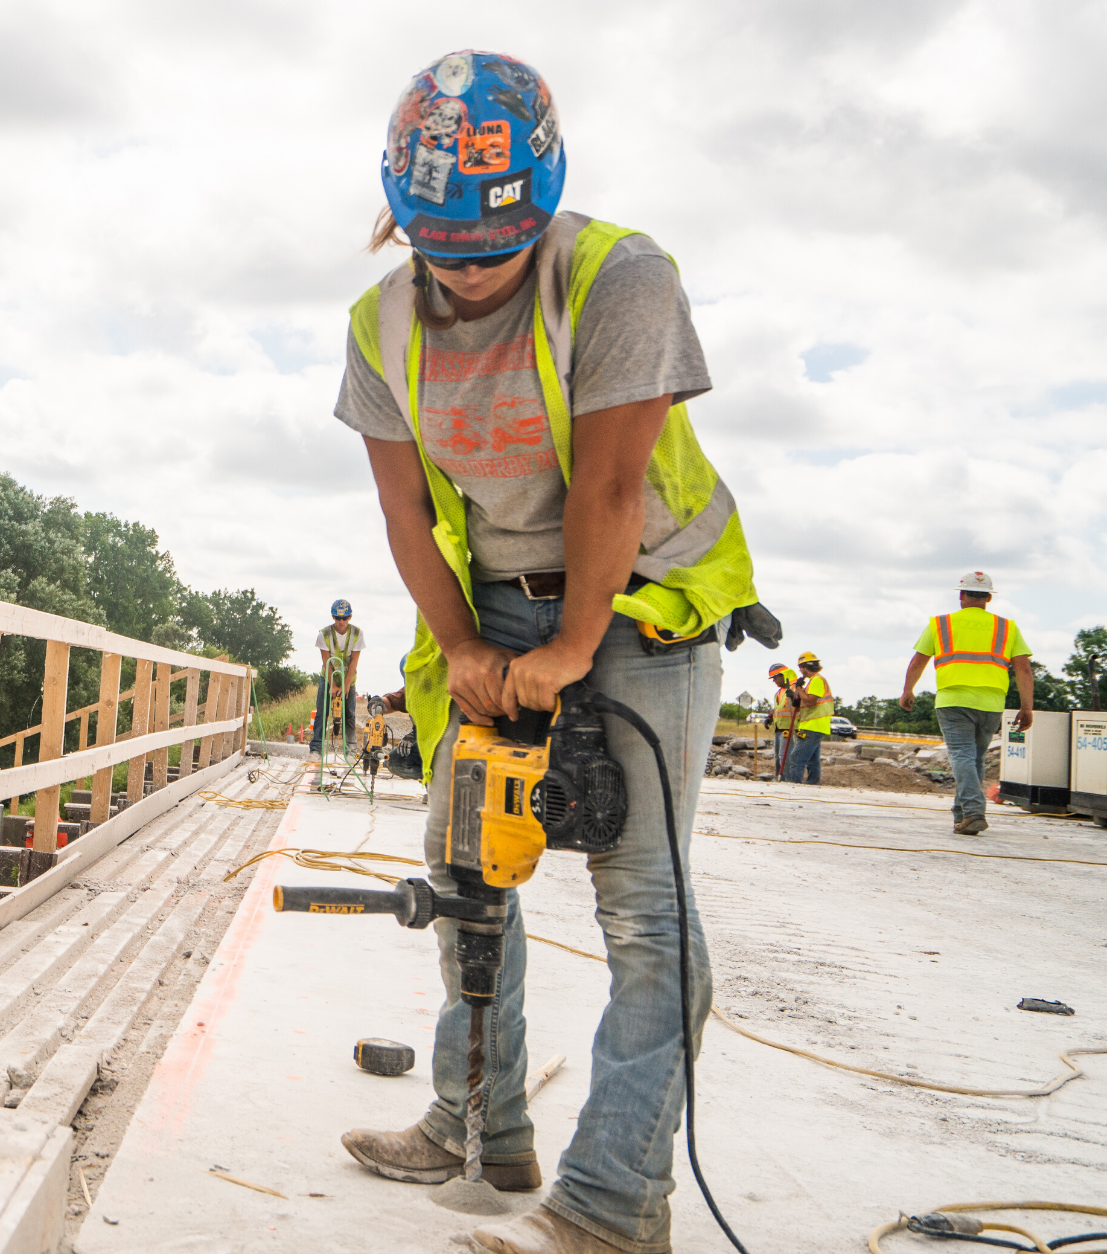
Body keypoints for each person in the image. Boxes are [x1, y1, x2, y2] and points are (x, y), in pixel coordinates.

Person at [329, 50, 768, 1254]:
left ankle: (613, 1207)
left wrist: (577, 643)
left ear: (541, 201)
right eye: (442, 254)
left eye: (491, 254)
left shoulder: (620, 274)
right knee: (468, 867)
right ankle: (477, 1127)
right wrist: (466, 643)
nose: (468, 280)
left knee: (644, 912)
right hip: (504, 608)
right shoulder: (379, 323)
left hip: (646, 599)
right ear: (405, 221)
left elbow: (614, 480)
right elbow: (407, 516)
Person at [901, 571, 1035, 835]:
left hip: (953, 699)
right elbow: (1024, 669)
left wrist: (908, 690)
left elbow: (918, 661)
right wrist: (1026, 706)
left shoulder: (940, 624)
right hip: (992, 703)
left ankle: (973, 810)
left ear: (961, 596)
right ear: (988, 598)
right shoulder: (1007, 627)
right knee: (975, 759)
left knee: (962, 755)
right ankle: (962, 816)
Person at [314, 600, 364, 754]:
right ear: (332, 616)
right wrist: (333, 686)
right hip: (328, 678)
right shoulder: (324, 634)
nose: (341, 622)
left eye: (345, 618)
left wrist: (346, 686)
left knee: (349, 713)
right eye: (338, 618)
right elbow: (326, 662)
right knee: (322, 712)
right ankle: (316, 749)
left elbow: (354, 661)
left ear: (350, 616)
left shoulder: (357, 633)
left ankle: (350, 749)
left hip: (348, 679)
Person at [781, 652, 835, 784]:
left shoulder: (817, 680)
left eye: (800, 667)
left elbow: (810, 701)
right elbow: (806, 702)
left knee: (797, 758)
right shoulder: (813, 681)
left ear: (805, 666)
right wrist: (796, 697)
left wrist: (799, 688)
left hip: (813, 725)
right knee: (812, 760)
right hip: (814, 725)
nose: (800, 670)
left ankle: (795, 786)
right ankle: (813, 785)